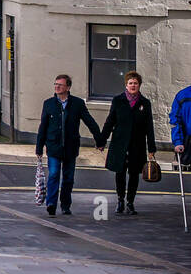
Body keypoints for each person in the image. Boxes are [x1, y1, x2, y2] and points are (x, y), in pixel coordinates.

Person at [34, 73, 103, 216]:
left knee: (68, 178)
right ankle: (51, 203)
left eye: (60, 85)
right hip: (53, 146)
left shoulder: (77, 104)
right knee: (53, 175)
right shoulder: (48, 104)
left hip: (71, 148)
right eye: (55, 84)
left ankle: (65, 205)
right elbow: (43, 126)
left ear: (68, 87)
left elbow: (89, 122)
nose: (57, 87)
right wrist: (39, 147)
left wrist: (99, 140)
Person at [99, 71, 157, 215]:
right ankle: (120, 200)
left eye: (135, 83)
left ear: (139, 85)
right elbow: (110, 121)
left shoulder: (145, 103)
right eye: (130, 83)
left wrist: (152, 147)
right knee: (120, 173)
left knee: (134, 174)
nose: (133, 85)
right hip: (120, 143)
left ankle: (130, 202)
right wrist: (101, 140)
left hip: (137, 145)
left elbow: (149, 126)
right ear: (126, 84)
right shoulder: (118, 100)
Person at [170, 84, 191, 171]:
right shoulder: (183, 95)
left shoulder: (182, 95)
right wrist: (178, 141)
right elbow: (175, 121)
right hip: (188, 143)